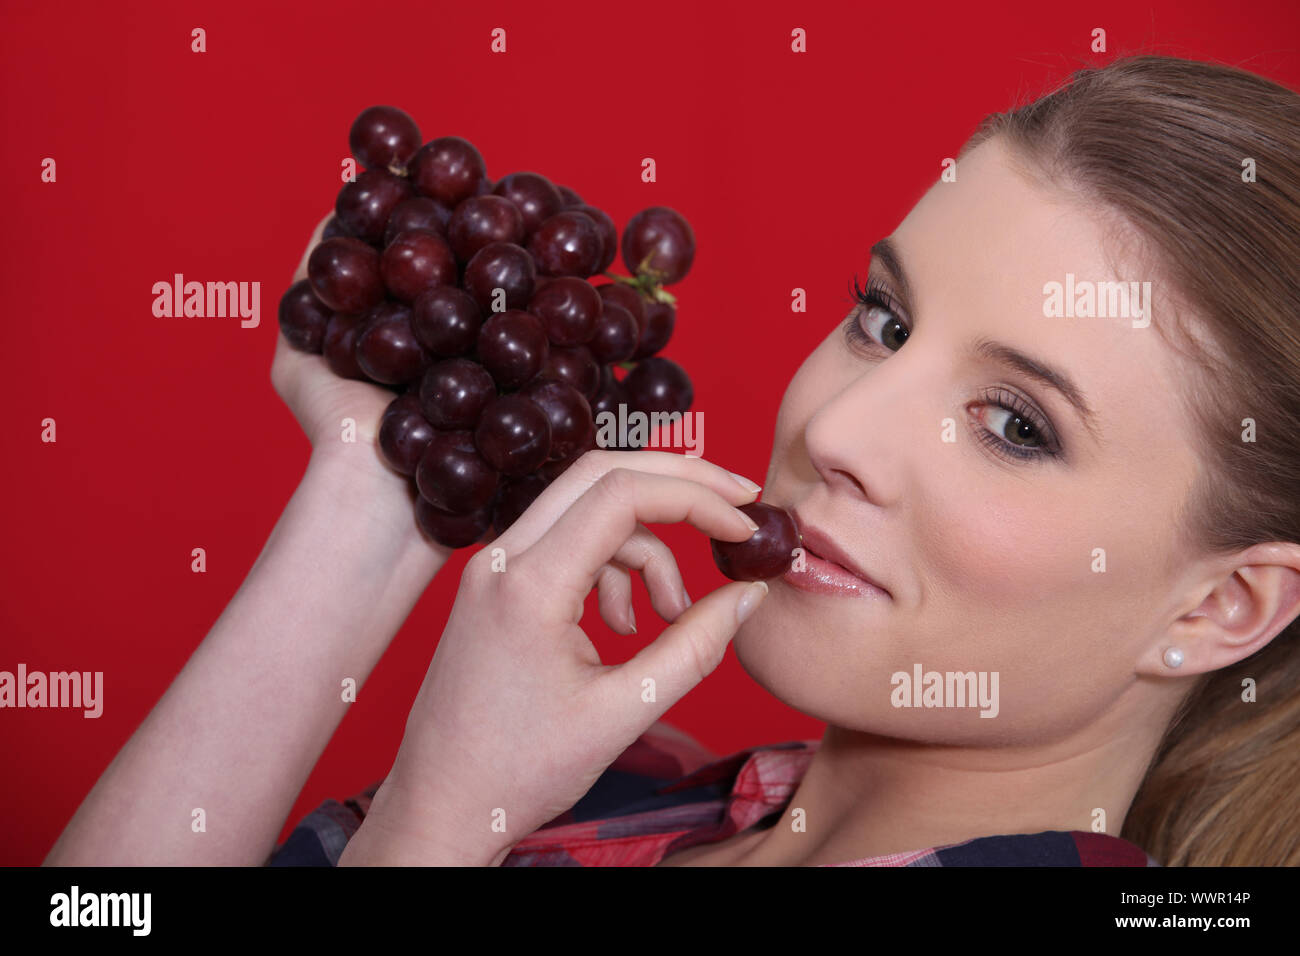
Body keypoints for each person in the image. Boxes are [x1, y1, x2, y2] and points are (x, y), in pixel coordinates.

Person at [45, 54, 1300, 868]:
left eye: (1016, 424)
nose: (835, 430)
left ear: (1217, 605)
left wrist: (432, 833)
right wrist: (374, 493)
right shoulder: (610, 795)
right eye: (884, 321)